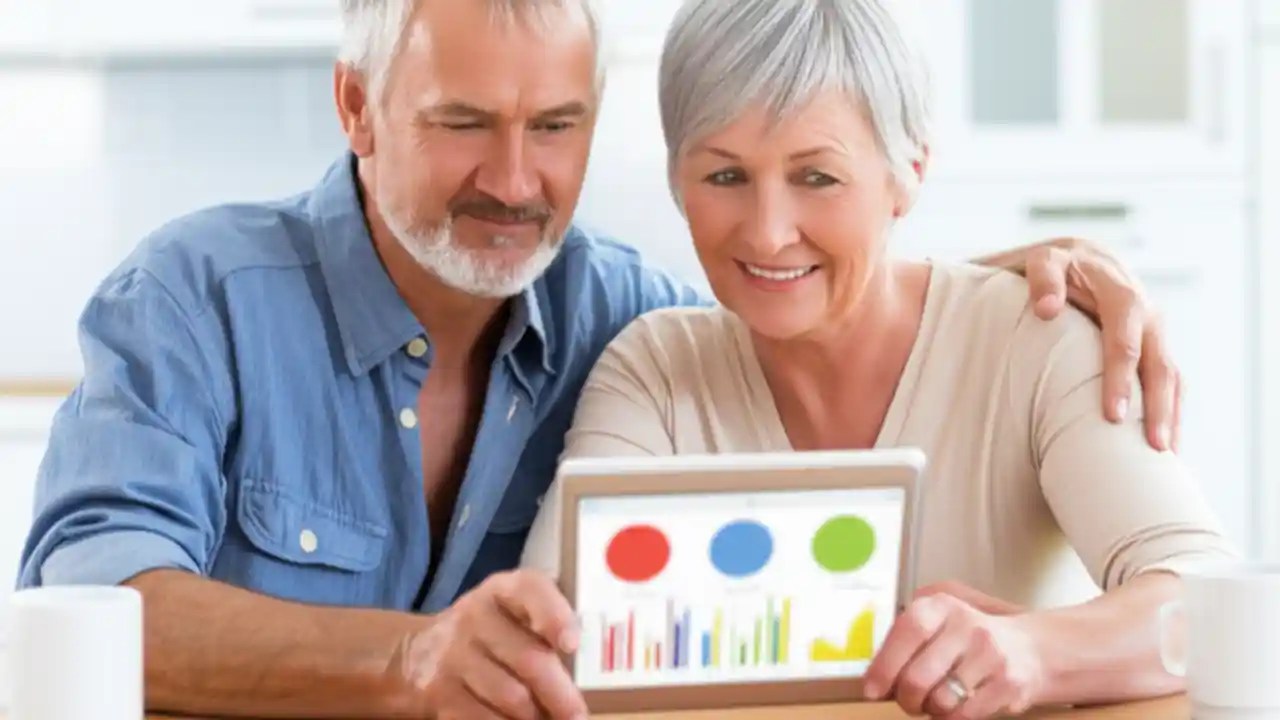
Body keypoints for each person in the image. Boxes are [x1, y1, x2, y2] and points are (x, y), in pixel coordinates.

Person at [16, 0, 1183, 718]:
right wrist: (413, 663)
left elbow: (786, 289)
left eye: (555, 126)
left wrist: (1007, 285)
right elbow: (85, 610)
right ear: (357, 107)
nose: (513, 179)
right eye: (461, 122)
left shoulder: (619, 314)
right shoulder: (193, 300)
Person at [518, 0, 1235, 718]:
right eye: (726, 178)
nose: (768, 234)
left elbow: (1218, 609)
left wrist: (1036, 653)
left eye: (817, 178)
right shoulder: (653, 370)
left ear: (909, 172)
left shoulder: (1039, 339)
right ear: (678, 182)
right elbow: (547, 639)